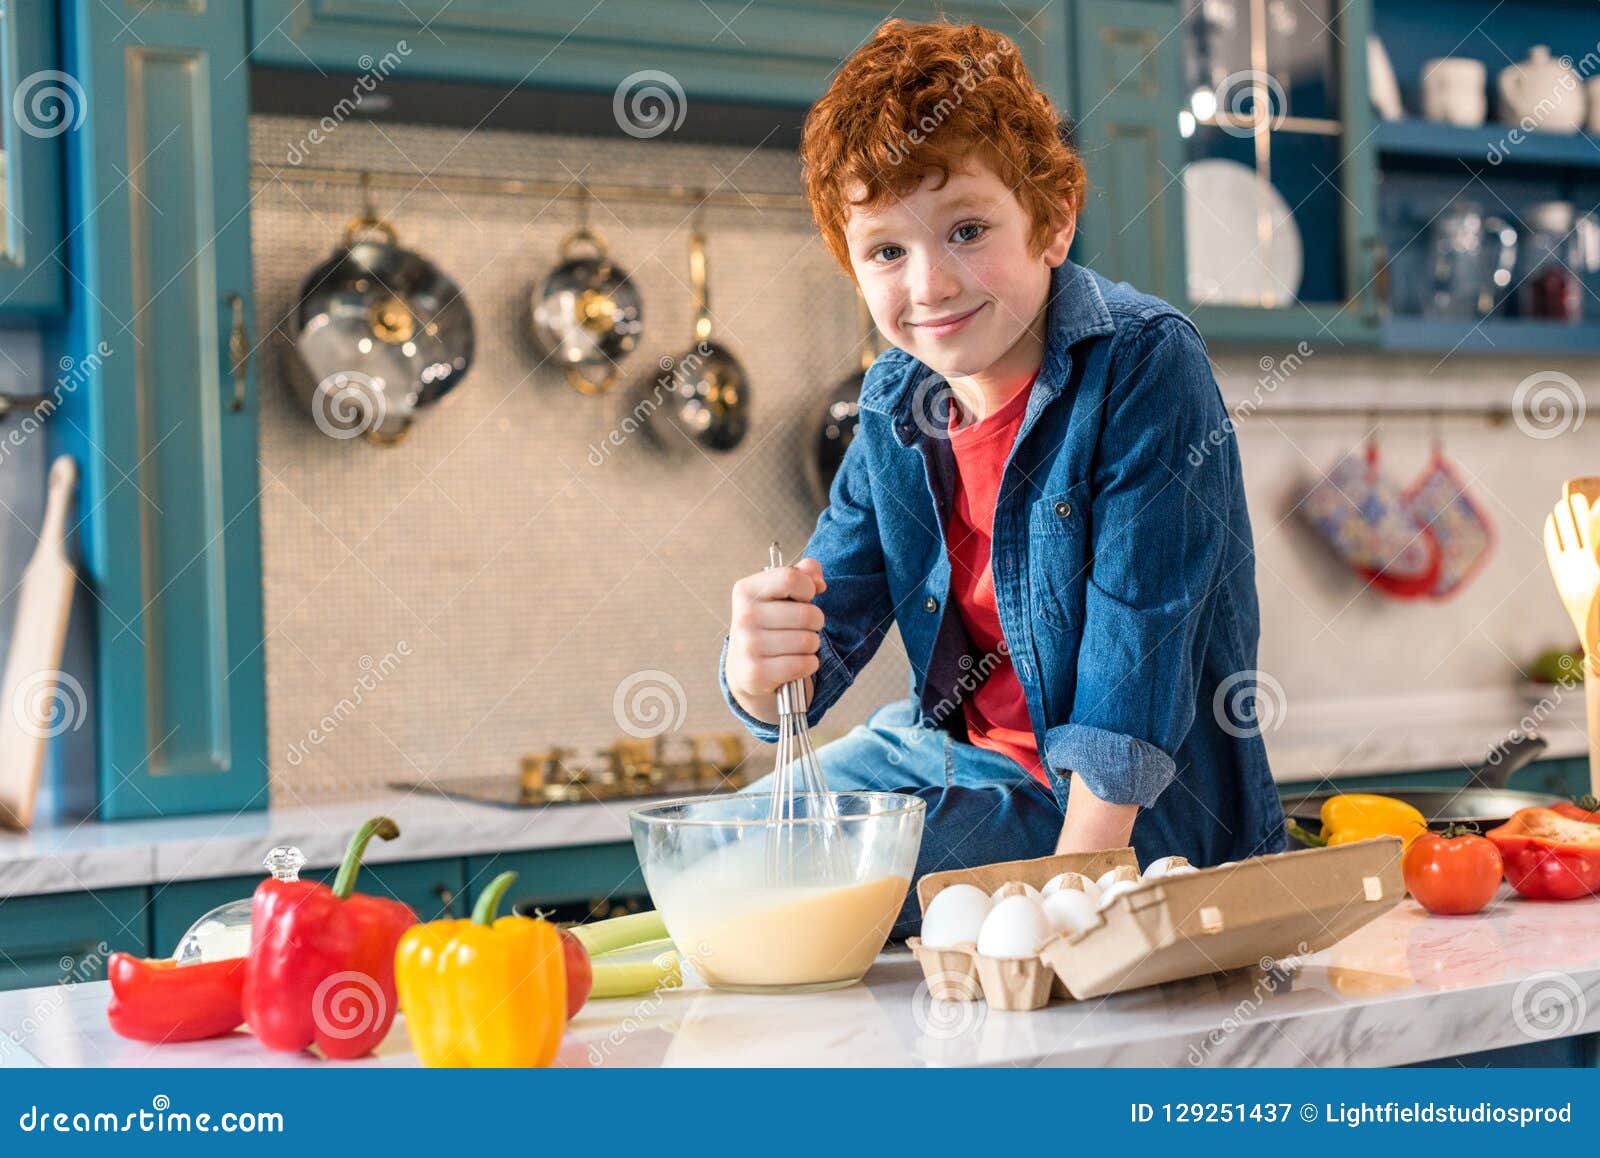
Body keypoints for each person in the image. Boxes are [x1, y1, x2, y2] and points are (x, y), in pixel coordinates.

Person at [719, 18, 1286, 937]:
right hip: (953, 760)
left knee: (802, 884)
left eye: (968, 230)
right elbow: (818, 656)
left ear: (1054, 221)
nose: (931, 285)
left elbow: (1134, 675)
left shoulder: (1144, 366)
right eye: (887, 251)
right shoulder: (891, 402)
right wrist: (758, 671)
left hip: (1124, 819)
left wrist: (1068, 905)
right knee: (720, 855)